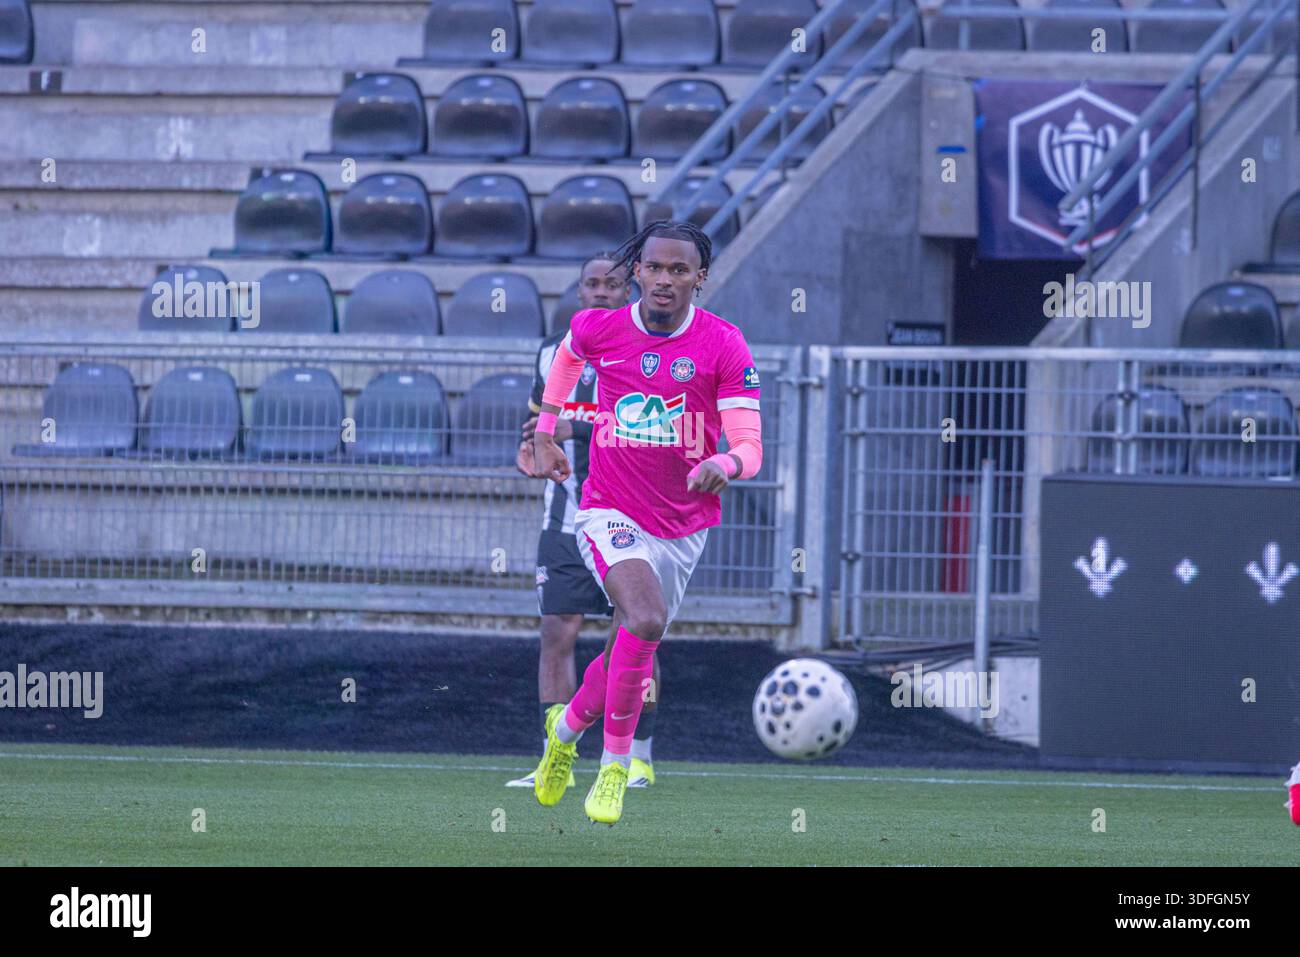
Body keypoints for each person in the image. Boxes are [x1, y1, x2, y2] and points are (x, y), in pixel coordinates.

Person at [528, 220, 764, 824]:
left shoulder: (725, 345)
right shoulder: (599, 327)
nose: (664, 279)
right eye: (655, 267)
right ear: (638, 272)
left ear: (699, 278)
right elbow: (564, 360)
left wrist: (726, 460)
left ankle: (564, 738)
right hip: (607, 507)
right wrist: (548, 433)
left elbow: (751, 445)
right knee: (647, 617)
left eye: (679, 270)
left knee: (627, 646)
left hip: (684, 525)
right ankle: (613, 769)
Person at [507, 253, 661, 791]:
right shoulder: (554, 350)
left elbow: (646, 419)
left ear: (631, 288)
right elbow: (537, 420)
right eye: (591, 284)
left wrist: (574, 428)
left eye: (612, 283)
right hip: (567, 510)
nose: (600, 292)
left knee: (634, 632)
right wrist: (532, 446)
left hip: (632, 509)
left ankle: (636, 756)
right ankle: (558, 754)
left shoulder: (648, 347)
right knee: (557, 629)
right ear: (578, 292)